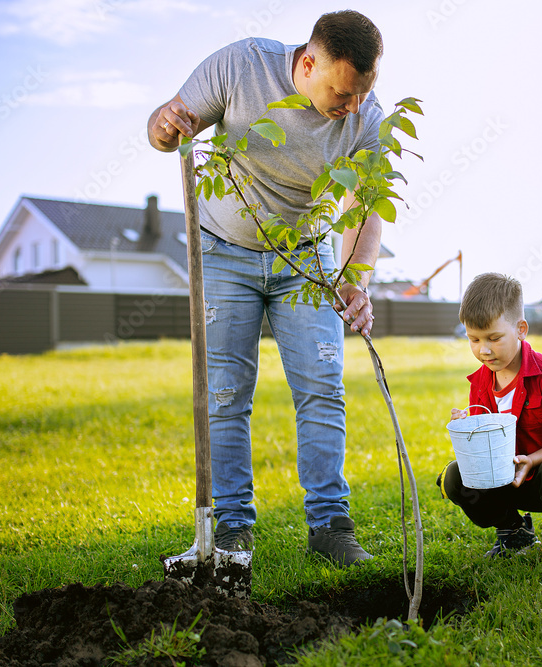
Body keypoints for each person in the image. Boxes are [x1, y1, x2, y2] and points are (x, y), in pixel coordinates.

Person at [147, 10, 387, 566]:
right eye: (342, 93)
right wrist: (163, 127)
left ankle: (330, 525)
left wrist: (354, 279)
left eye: (361, 95)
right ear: (307, 64)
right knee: (226, 394)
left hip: (305, 258)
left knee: (322, 388)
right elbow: (169, 126)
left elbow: (365, 202)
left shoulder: (367, 114)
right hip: (222, 250)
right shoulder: (241, 66)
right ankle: (231, 528)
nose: (351, 108)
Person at [437, 273, 542, 568]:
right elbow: (489, 439)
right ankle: (514, 532)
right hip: (509, 480)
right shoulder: (481, 381)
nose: (483, 349)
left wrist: (532, 460)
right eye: (473, 339)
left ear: (521, 329)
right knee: (456, 476)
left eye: (494, 338)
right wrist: (468, 426)